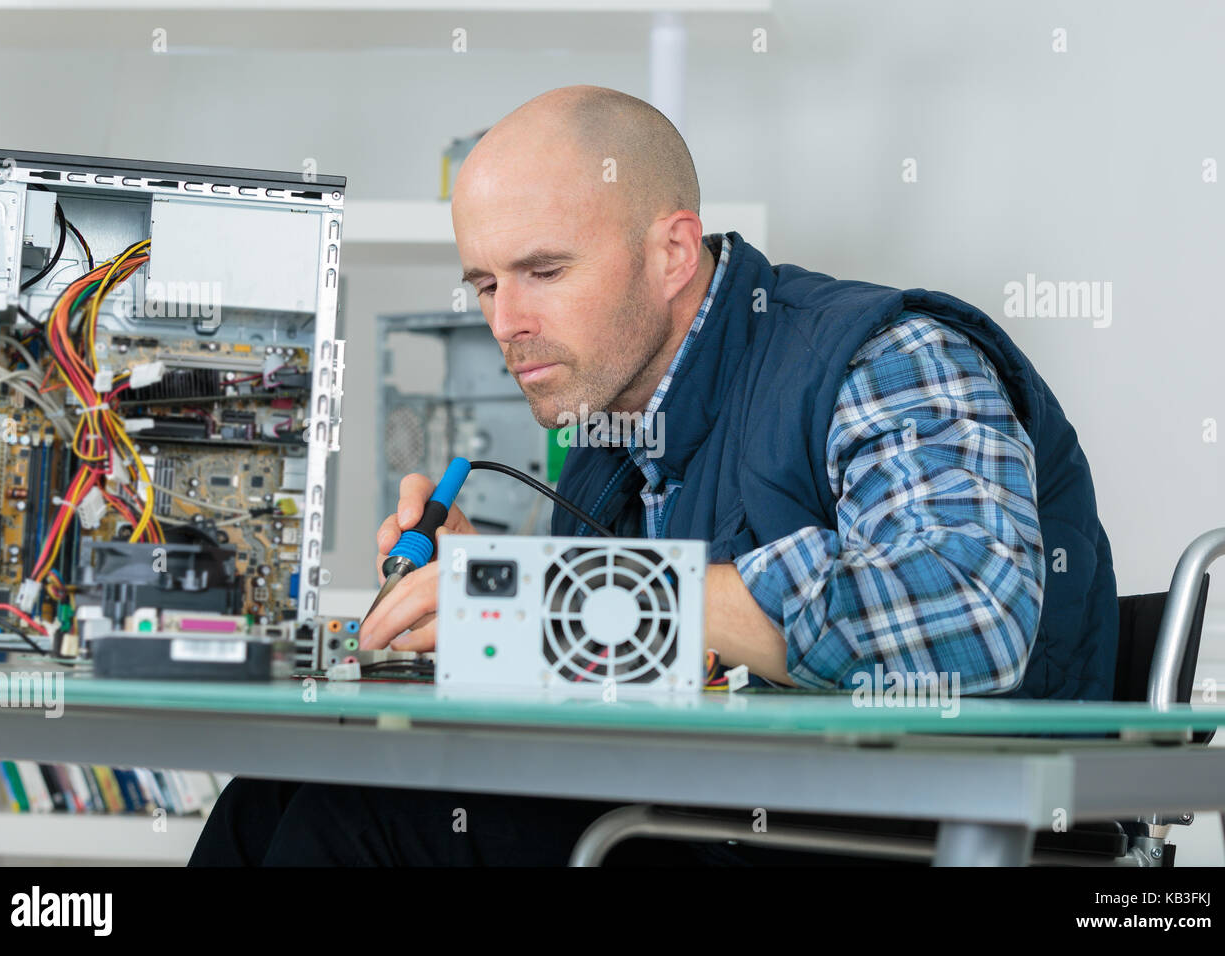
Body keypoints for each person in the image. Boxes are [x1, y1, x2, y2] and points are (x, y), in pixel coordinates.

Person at [190, 84, 1118, 866]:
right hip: (697, 813)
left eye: (544, 270)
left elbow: (969, 615)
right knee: (267, 799)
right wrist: (493, 603)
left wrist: (552, 596)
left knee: (362, 824)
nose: (505, 321)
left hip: (877, 837)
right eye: (484, 284)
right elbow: (626, 672)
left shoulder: (888, 354)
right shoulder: (612, 422)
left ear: (673, 252)